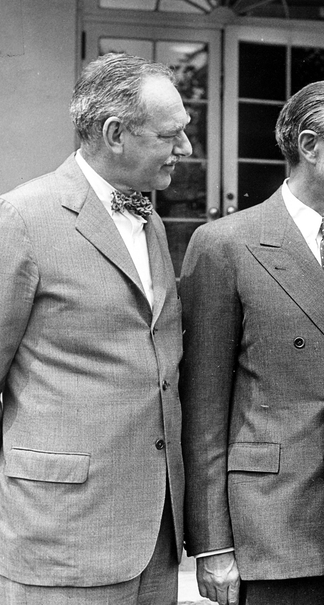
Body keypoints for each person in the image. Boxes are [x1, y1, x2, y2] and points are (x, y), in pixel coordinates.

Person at [179, 79, 324, 605]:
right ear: (309, 146)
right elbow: (204, 408)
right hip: (271, 524)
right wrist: (213, 544)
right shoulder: (225, 244)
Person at [0, 53, 191, 604]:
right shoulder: (22, 218)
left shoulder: (150, 221)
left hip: (154, 537)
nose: (185, 148)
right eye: (170, 135)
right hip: (57, 537)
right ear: (114, 134)